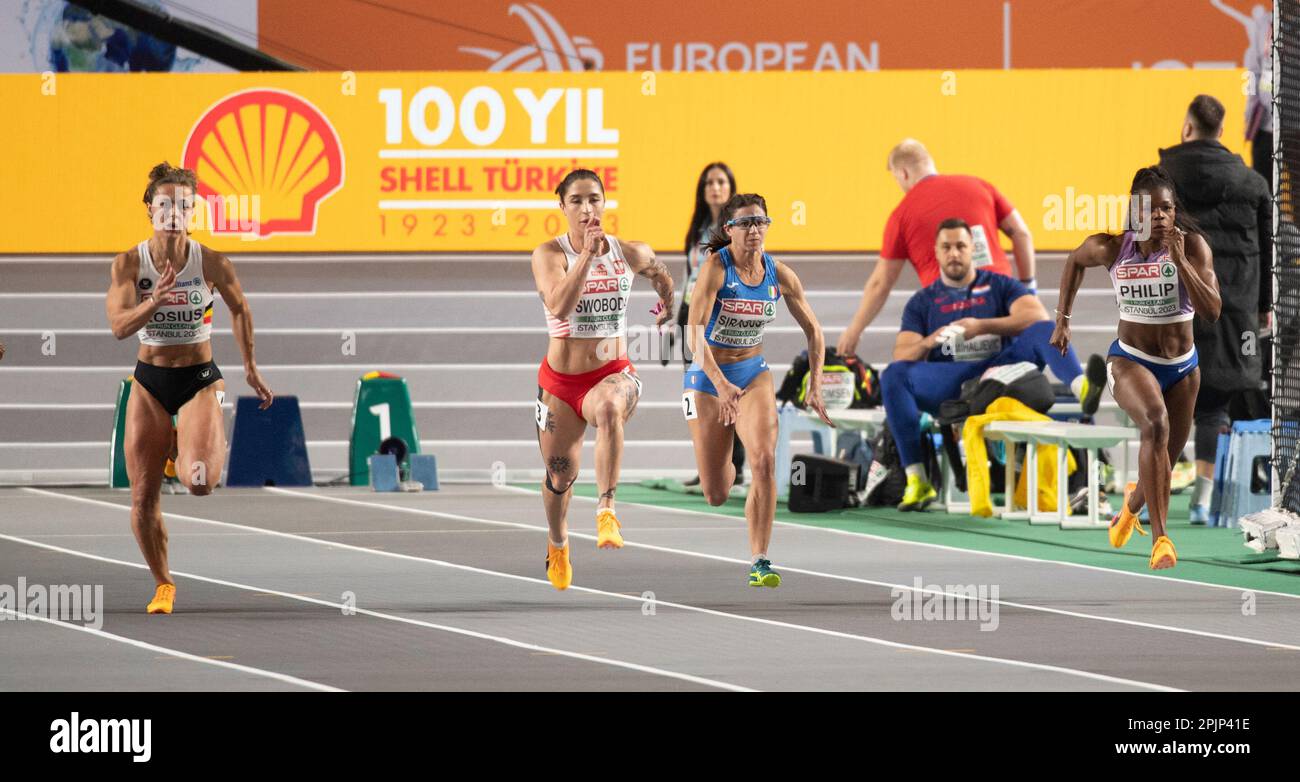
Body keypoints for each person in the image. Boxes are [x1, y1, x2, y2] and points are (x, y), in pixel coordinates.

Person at [105, 162, 273, 614]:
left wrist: (251, 368)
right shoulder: (128, 264)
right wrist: (153, 302)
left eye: (183, 203)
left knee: (199, 482)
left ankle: (189, 445)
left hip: (198, 379)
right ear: (150, 209)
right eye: (165, 203)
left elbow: (240, 309)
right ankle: (164, 584)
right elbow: (119, 326)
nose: (174, 211)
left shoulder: (212, 262)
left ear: (193, 210)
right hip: (149, 380)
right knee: (142, 497)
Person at [1052, 166, 1221, 570]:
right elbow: (1074, 262)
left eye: (1167, 208)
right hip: (1130, 359)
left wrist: (1181, 263)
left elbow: (1213, 312)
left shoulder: (1193, 247)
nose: (1160, 216)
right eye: (1151, 209)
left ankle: (1129, 509)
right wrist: (1062, 319)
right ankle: (1162, 539)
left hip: (1183, 368)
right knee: (1156, 425)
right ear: (1135, 212)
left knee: (1166, 456)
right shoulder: (1113, 248)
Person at [882, 218, 1106, 512]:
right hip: (952, 385)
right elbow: (902, 352)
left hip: (999, 375)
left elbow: (1033, 315)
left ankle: (1082, 387)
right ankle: (918, 480)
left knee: (1043, 329)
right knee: (894, 375)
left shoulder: (998, 285)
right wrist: (930, 341)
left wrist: (983, 325)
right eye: (946, 247)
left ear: (972, 249)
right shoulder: (923, 301)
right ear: (935, 252)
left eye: (961, 246)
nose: (953, 253)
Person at [531, 169, 675, 591]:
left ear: (605, 203)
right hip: (560, 383)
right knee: (560, 476)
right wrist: (588, 258)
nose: (586, 208)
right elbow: (559, 306)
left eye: (593, 199)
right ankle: (558, 543)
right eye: (576, 200)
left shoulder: (629, 253)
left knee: (611, 408)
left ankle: (607, 509)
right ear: (562, 208)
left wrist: (667, 302)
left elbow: (661, 271)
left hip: (613, 373)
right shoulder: (548, 255)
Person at [684, 193, 833, 587]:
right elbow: (692, 334)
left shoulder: (779, 274)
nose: (754, 230)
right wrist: (720, 384)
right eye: (745, 223)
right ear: (729, 230)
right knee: (716, 491)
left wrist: (815, 385)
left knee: (765, 460)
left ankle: (760, 560)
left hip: (753, 373)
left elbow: (815, 332)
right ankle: (727, 451)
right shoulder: (716, 269)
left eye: (761, 222)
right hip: (708, 377)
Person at [1158, 94, 1272, 523]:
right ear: (1222, 133)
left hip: (1171, 306)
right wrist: (1263, 307)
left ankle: (1158, 495)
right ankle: (1202, 501)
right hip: (1234, 307)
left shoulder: (1159, 180)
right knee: (1213, 405)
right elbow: (1267, 249)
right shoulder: (1254, 182)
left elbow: (1137, 239)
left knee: (1166, 401)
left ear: (1187, 129)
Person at [837, 138, 1038, 357]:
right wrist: (1028, 287)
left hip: (949, 313)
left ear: (903, 173)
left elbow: (880, 283)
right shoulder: (980, 186)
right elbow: (1022, 233)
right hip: (1000, 301)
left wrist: (854, 330)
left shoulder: (901, 215)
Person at [677, 161, 745, 487]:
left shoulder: (739, 226)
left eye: (721, 182)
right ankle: (709, 465)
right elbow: (691, 274)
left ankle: (737, 462)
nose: (715, 188)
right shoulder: (699, 227)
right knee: (699, 389)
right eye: (709, 183)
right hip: (693, 312)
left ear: (731, 187)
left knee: (729, 386)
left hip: (722, 315)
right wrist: (680, 311)